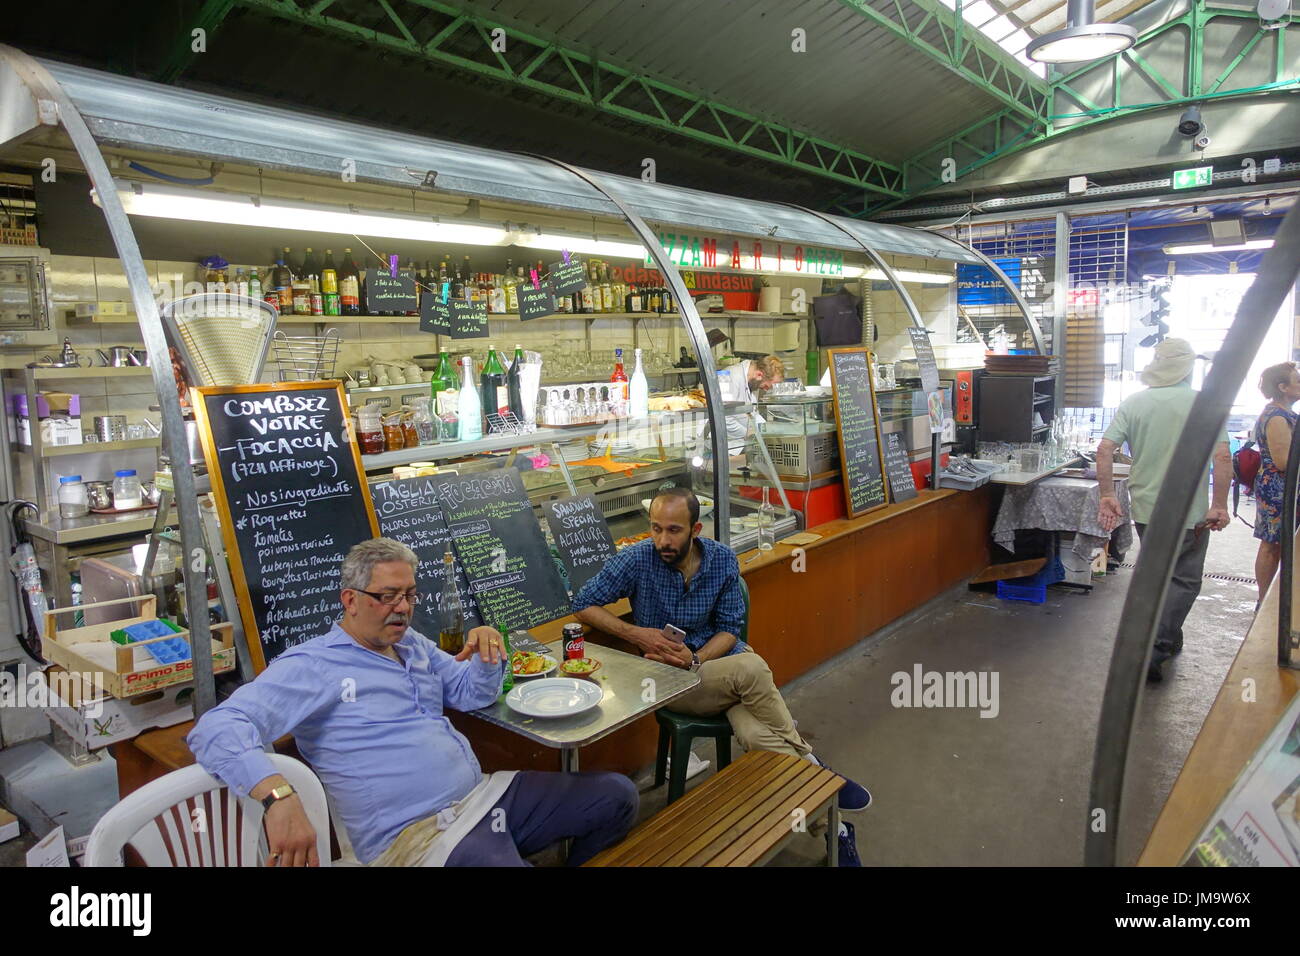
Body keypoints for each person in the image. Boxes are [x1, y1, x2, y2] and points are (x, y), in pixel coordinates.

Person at [188, 538, 637, 867]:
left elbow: (469, 692)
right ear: (350, 600)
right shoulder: (314, 665)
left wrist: (486, 651)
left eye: (409, 595)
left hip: (482, 797)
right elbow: (217, 726)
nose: (402, 608)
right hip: (417, 836)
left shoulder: (412, 644)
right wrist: (278, 795)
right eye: (387, 597)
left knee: (617, 797)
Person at [571, 487, 871, 865]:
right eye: (656, 528)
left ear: (696, 529)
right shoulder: (636, 560)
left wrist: (696, 658)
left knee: (756, 733)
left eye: (674, 530)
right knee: (752, 667)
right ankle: (815, 767)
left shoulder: (721, 560)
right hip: (668, 682)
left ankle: (835, 829)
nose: (663, 539)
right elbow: (582, 602)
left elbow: (730, 628)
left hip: (715, 668)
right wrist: (635, 633)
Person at [1096, 338, 1232, 683]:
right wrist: (1218, 504)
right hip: (1191, 511)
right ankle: (1156, 647)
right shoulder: (1206, 404)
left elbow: (1105, 449)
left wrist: (1108, 494)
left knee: (1156, 575)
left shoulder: (1135, 402)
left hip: (1146, 508)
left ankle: (1165, 636)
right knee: (1184, 578)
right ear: (1188, 367)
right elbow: (1223, 457)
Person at [1251, 361, 1300, 600]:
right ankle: (1264, 599)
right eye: (1297, 381)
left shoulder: (1288, 414)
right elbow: (1283, 461)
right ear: (1283, 387)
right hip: (1278, 489)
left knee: (1282, 543)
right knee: (1272, 543)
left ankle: (1279, 597)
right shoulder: (1277, 417)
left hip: (1289, 487)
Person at [719, 354, 784, 455]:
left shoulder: (753, 382)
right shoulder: (725, 377)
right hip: (723, 447)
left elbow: (752, 414)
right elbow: (722, 418)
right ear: (759, 374)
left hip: (742, 445)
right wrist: (748, 434)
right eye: (767, 386)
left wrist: (769, 430)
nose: (766, 390)